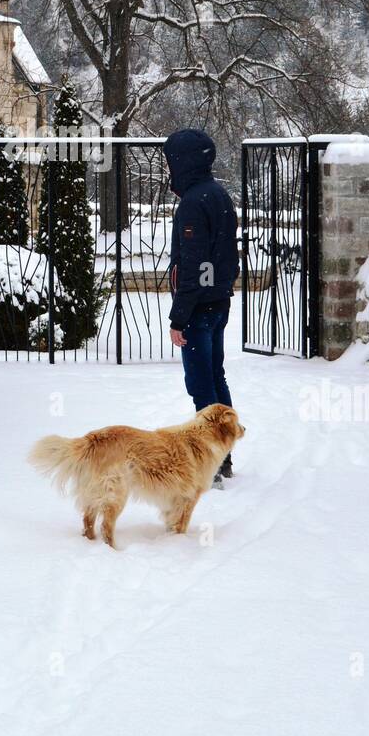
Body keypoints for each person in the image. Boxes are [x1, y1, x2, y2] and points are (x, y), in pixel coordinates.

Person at [164, 129, 240, 483]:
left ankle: (213, 459)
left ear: (184, 161)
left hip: (199, 309)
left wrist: (179, 317)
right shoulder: (220, 195)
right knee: (215, 376)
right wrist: (221, 291)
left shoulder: (194, 202)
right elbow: (228, 256)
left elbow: (192, 266)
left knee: (201, 384)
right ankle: (223, 452)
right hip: (217, 303)